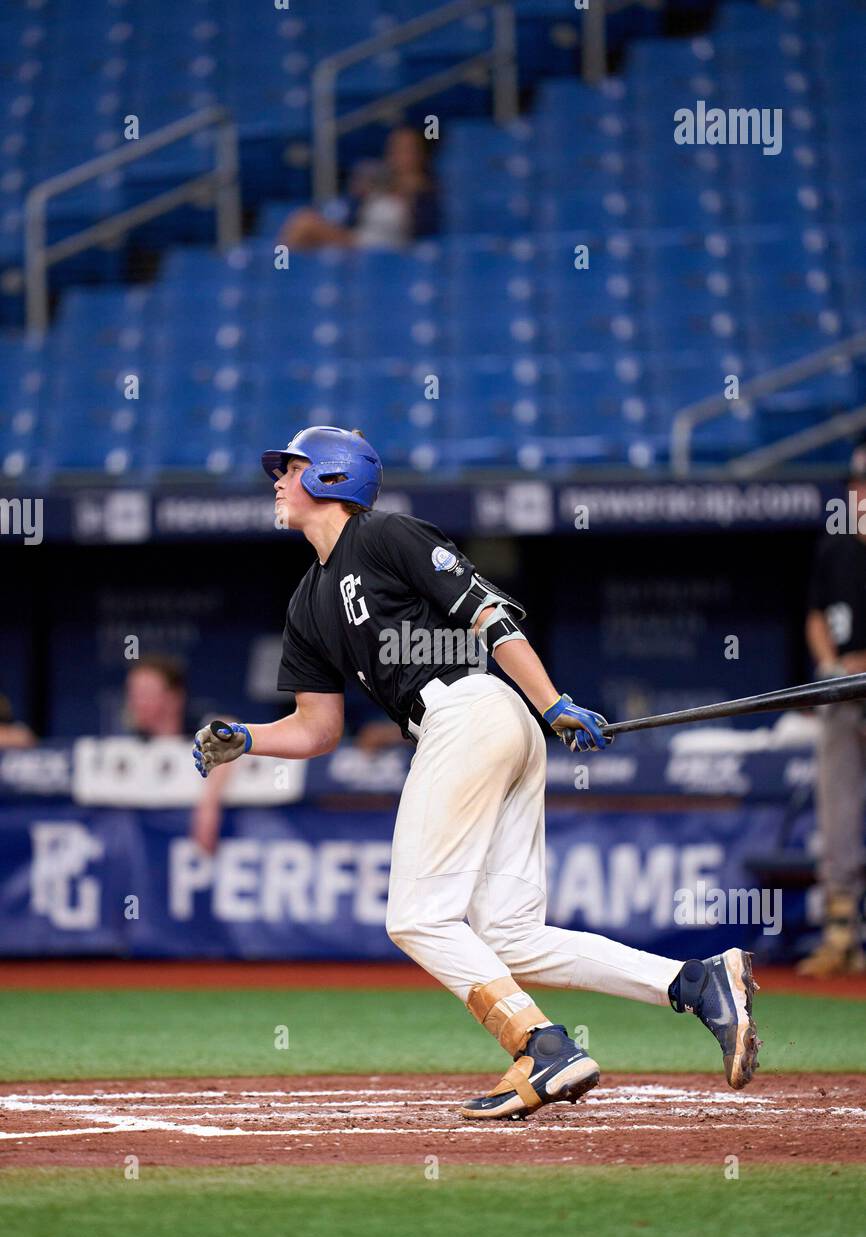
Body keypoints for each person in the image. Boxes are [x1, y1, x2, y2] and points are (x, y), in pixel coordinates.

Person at [193, 427, 761, 1120]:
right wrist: (245, 738)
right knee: (511, 936)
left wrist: (550, 700)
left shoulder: (386, 535)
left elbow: (489, 617)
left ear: (333, 477)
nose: (277, 479)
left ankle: (541, 1046)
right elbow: (318, 728)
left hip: (475, 713)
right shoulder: (306, 603)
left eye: (291, 467)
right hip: (470, 728)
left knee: (415, 917)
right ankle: (697, 983)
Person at [802, 444, 866, 975]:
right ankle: (840, 933)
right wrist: (829, 664)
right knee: (838, 808)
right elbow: (816, 617)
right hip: (845, 692)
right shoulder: (835, 549)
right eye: (858, 482)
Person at [125, 655, 229, 858]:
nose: (136, 702)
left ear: (174, 698)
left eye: (146, 693)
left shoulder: (196, 728)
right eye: (133, 693)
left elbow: (228, 734)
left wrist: (208, 807)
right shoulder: (128, 743)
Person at [279, 127, 438, 251]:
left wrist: (408, 196)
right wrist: (358, 196)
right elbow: (350, 217)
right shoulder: (380, 182)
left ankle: (276, 269)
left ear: (419, 153)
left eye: (406, 149)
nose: (398, 156)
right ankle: (277, 278)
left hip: (390, 248)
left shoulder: (424, 189)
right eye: (394, 149)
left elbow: (422, 230)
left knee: (305, 223)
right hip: (362, 241)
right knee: (304, 227)